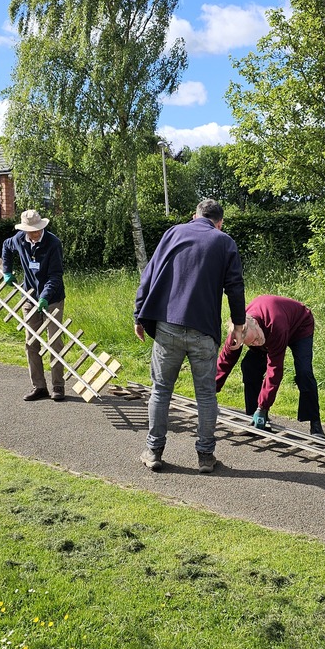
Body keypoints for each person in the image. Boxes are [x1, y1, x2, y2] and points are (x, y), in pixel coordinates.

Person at [134, 199, 246, 473]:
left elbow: (150, 272)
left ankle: (153, 451)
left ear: (194, 216)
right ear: (220, 222)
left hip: (168, 325)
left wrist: (139, 314)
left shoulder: (174, 232)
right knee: (206, 396)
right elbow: (235, 286)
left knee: (161, 390)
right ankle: (205, 457)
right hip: (203, 330)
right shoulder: (225, 242)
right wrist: (239, 325)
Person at [216, 295, 325, 437]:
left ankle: (315, 424)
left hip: (300, 326)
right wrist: (210, 392)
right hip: (268, 331)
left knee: (304, 372)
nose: (256, 343)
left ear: (255, 324)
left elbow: (274, 370)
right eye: (251, 343)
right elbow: (225, 360)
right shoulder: (237, 330)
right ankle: (254, 418)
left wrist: (263, 405)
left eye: (256, 339)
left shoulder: (275, 325)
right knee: (249, 366)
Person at [1, 208, 66, 401]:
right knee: (31, 343)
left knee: (54, 342)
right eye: (30, 230)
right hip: (29, 297)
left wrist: (45, 297)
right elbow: (6, 246)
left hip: (52, 299)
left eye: (37, 229)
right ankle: (39, 387)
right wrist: (7, 271)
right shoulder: (19, 239)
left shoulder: (53, 243)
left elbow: (55, 276)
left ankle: (58, 386)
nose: (34, 233)